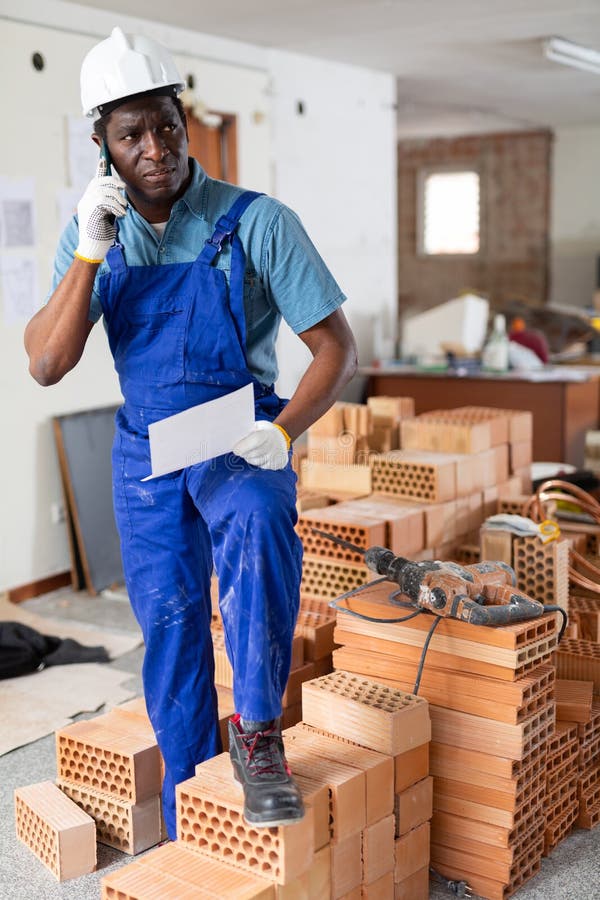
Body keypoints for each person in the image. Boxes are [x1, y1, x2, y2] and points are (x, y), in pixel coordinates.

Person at [24, 27, 357, 839]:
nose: (155, 148)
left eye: (166, 125)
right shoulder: (94, 236)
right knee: (169, 620)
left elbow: (336, 348)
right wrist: (88, 258)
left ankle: (257, 735)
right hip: (147, 451)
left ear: (185, 122)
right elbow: (46, 363)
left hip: (241, 434)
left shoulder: (257, 221)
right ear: (101, 144)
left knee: (257, 520)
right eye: (131, 134)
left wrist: (283, 433)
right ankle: (187, 799)